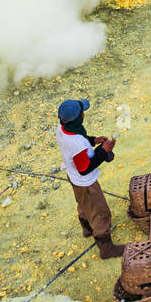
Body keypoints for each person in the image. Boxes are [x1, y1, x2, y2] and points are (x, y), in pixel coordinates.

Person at [55, 98, 124, 259]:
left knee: (83, 204)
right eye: (82, 112)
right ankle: (106, 249)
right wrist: (104, 151)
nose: (84, 114)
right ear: (79, 117)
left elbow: (80, 139)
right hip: (86, 183)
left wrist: (93, 140)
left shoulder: (62, 128)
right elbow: (85, 169)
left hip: (73, 178)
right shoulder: (77, 144)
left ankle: (87, 228)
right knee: (100, 213)